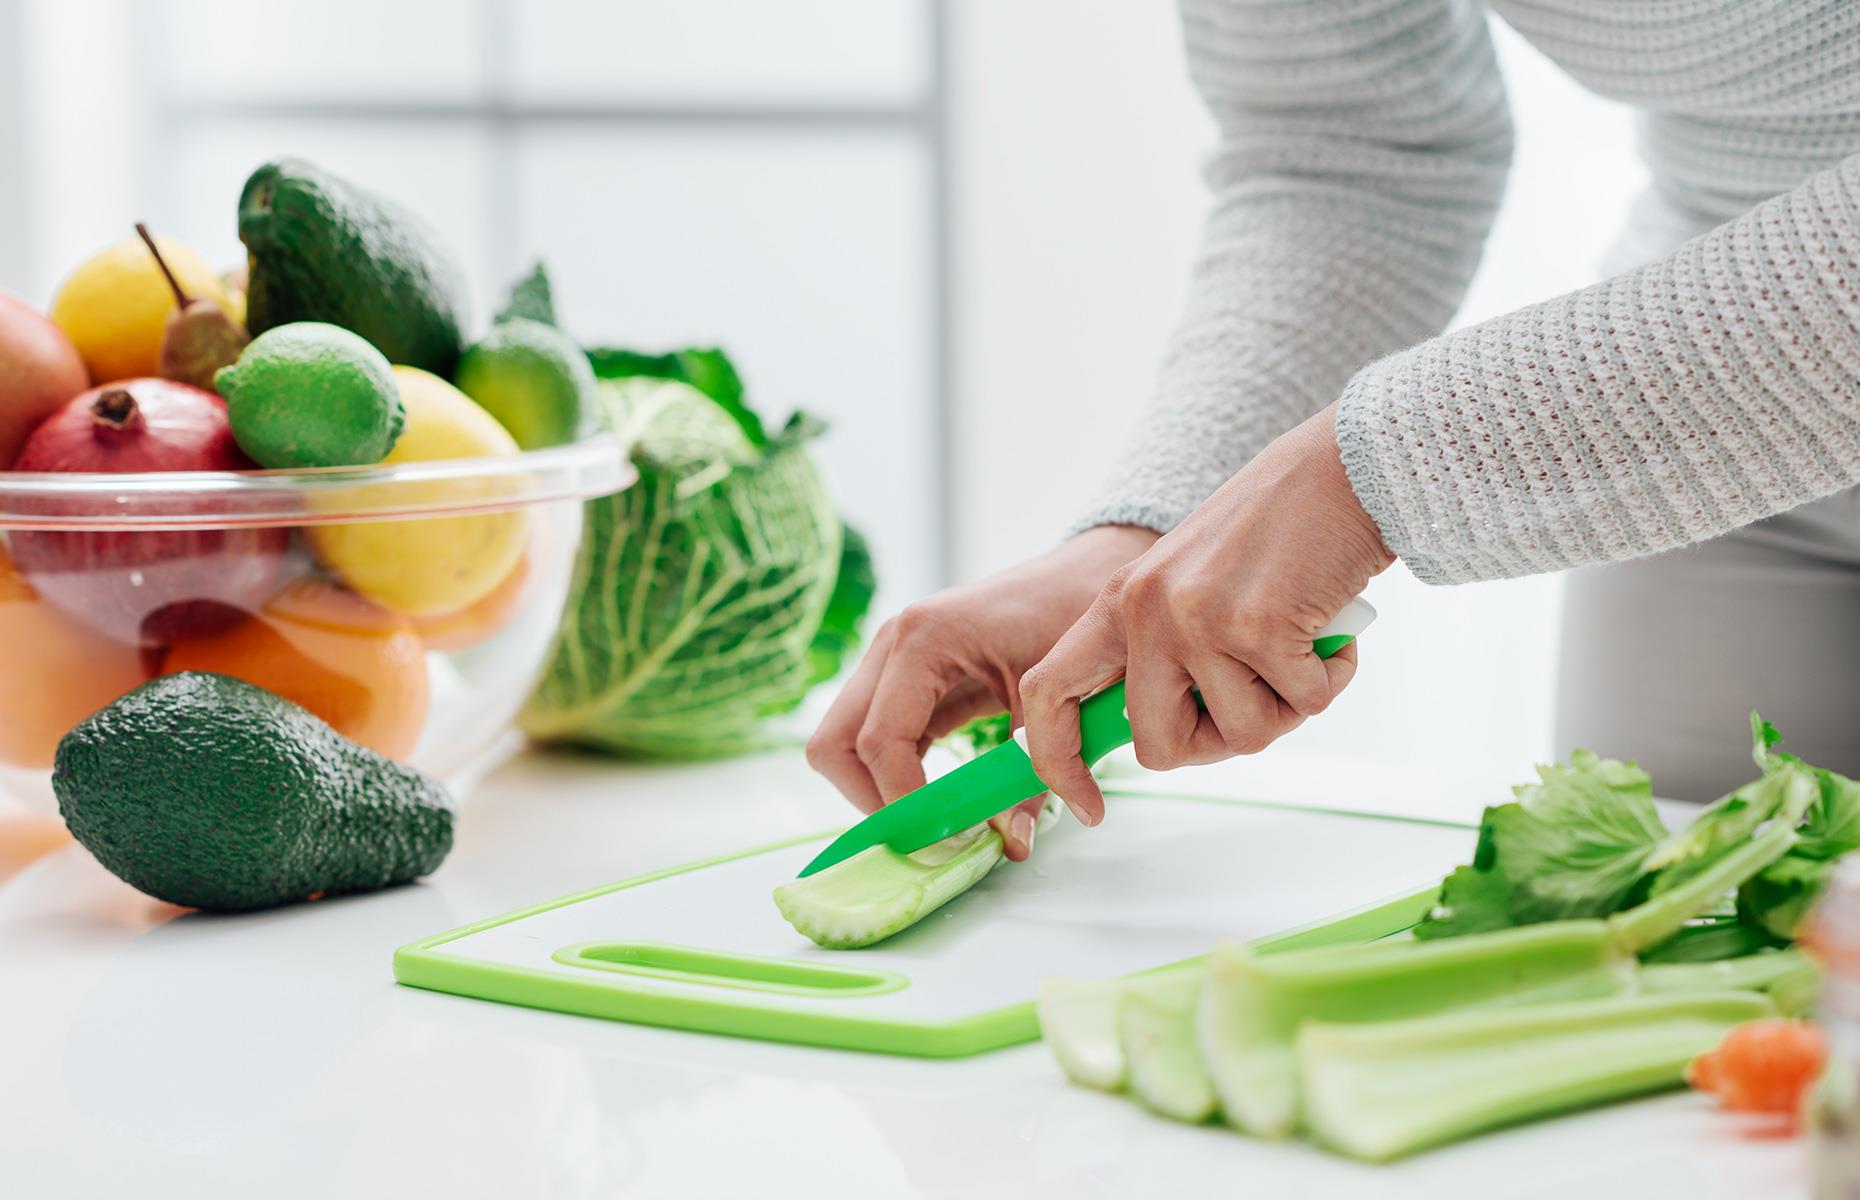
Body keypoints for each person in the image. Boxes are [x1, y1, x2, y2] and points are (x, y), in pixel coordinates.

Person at [809, 0, 1860, 856]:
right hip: (1709, 448)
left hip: (1713, 390)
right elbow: (1351, 153)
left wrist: (1374, 473)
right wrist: (1147, 540)